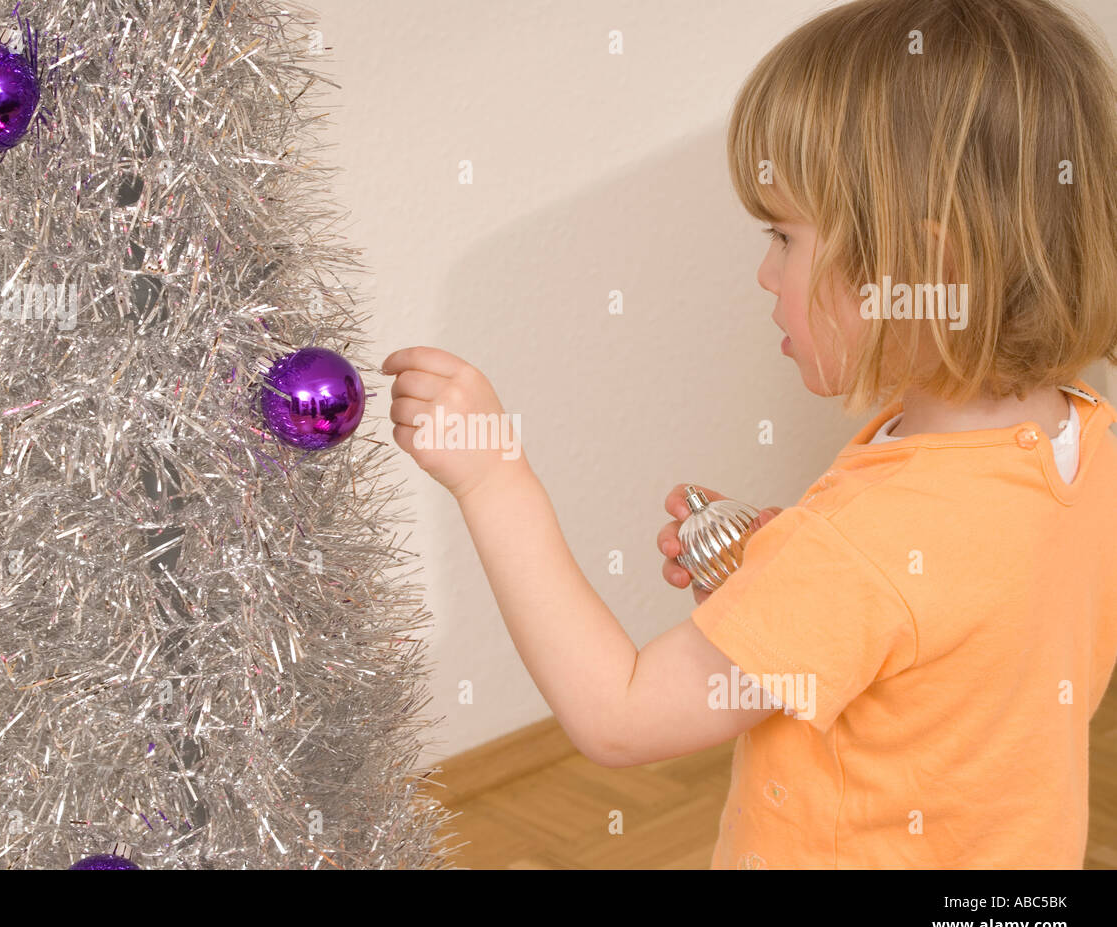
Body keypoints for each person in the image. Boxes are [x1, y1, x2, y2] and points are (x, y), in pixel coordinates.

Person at [381, 0, 1117, 868]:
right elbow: (943, 635)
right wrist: (787, 583)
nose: (765, 274)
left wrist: (494, 480)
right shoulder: (1083, 436)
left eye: (784, 236)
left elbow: (621, 718)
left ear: (926, 267)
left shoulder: (862, 546)